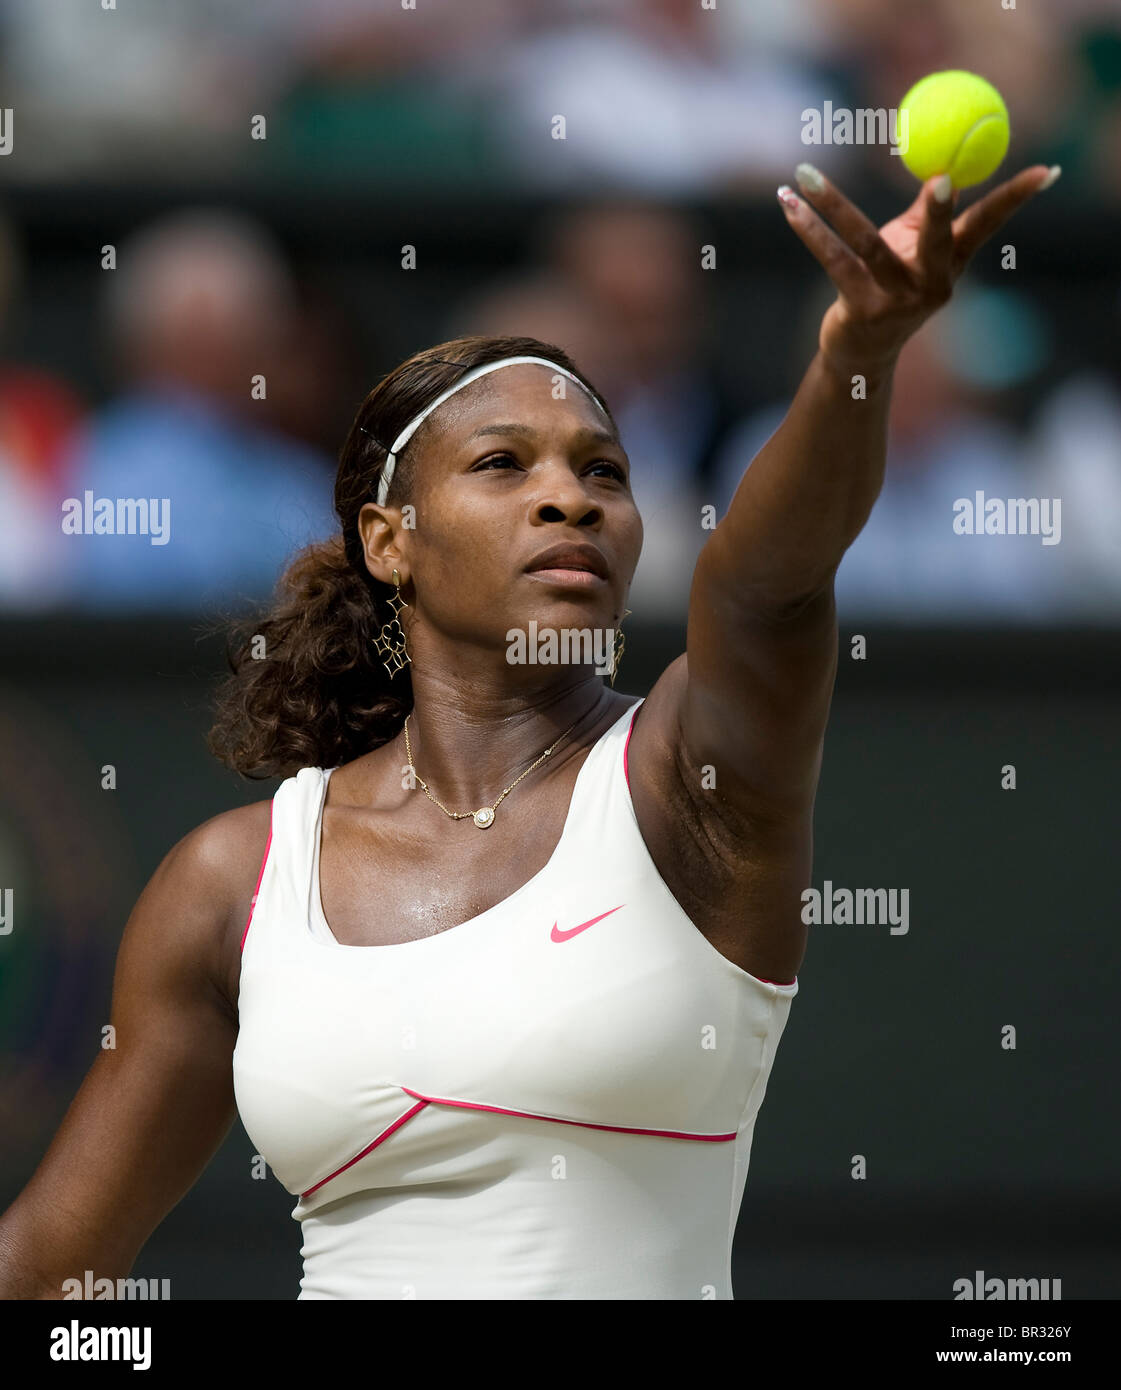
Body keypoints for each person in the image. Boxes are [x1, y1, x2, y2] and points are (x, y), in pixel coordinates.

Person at [0, 157, 1058, 1300]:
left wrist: (855, 355)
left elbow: (768, 590)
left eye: (602, 469)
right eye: (503, 465)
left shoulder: (685, 787)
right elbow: (52, 1282)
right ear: (387, 540)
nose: (571, 496)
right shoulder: (227, 882)